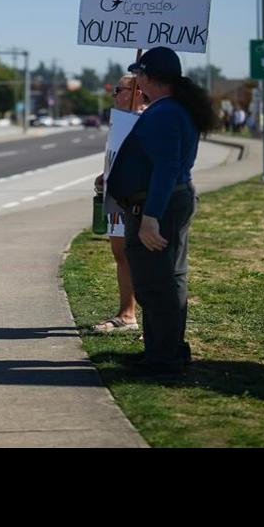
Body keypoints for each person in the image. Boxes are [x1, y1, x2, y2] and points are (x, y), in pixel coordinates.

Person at [107, 47, 217, 373]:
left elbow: (166, 167)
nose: (137, 79)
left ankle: (163, 358)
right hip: (168, 201)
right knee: (168, 279)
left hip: (159, 206)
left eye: (139, 73)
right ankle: (163, 350)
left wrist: (150, 217)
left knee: (155, 283)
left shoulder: (166, 112)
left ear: (150, 76)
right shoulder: (173, 107)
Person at [92, 74, 149, 334]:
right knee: (121, 253)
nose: (114, 95)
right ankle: (127, 313)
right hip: (117, 194)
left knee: (135, 255)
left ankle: (135, 315)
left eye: (119, 90)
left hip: (134, 196)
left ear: (136, 91)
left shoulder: (146, 119)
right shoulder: (122, 120)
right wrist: (106, 174)